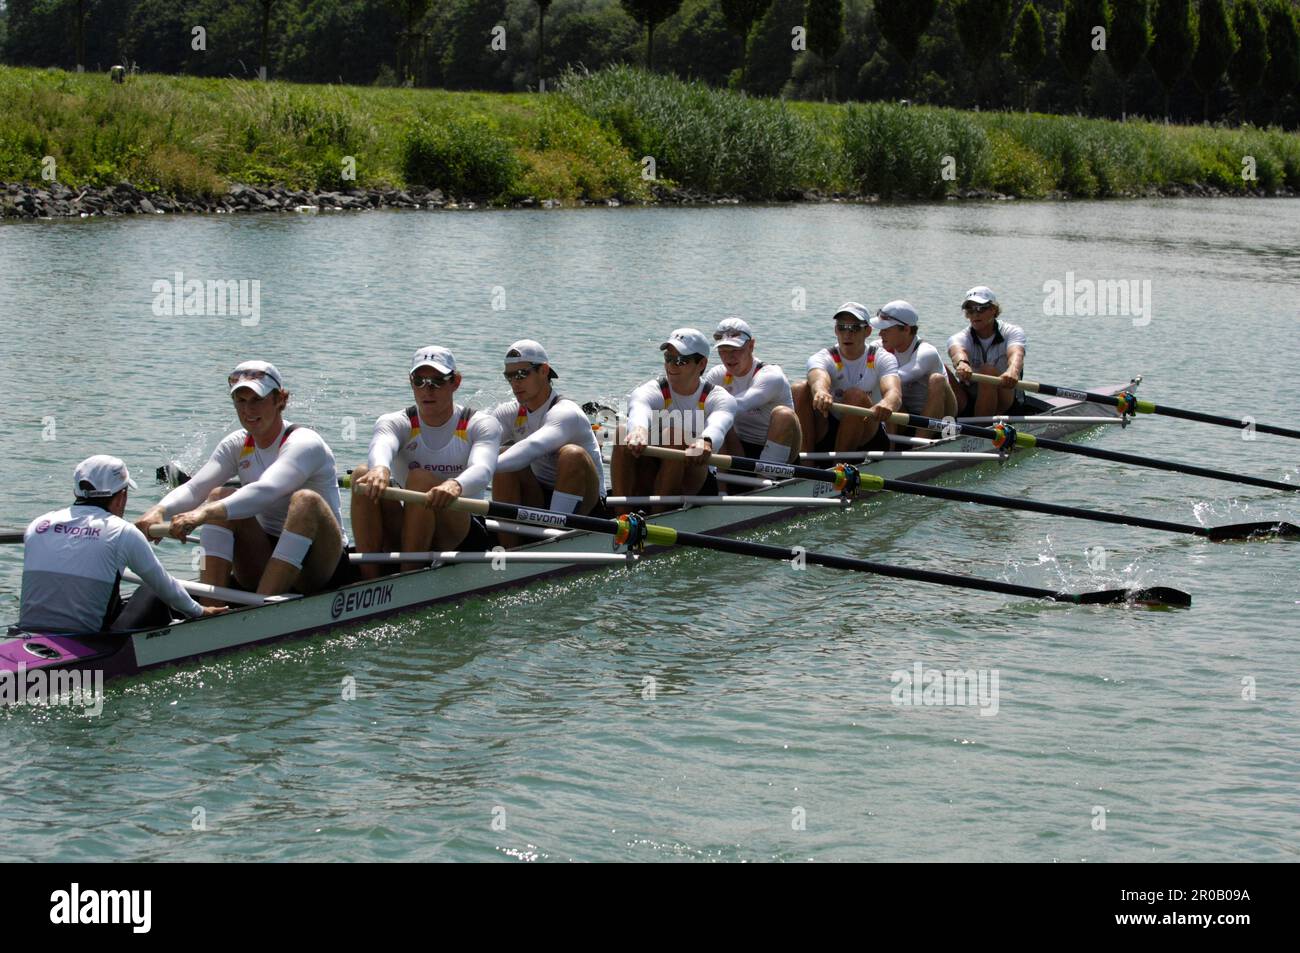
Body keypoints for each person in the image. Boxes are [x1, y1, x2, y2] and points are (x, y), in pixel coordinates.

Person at [136, 361, 351, 598]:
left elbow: (267, 489)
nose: (248, 410)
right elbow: (196, 488)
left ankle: (259, 614)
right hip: (266, 554)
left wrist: (202, 514)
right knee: (218, 495)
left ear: (281, 400)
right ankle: (211, 607)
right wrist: (159, 510)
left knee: (306, 500)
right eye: (241, 401)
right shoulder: (237, 444)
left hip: (322, 563)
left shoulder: (304, 443)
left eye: (257, 400)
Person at [18, 455, 225, 633]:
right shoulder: (123, 532)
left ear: (77, 493)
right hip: (89, 640)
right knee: (152, 591)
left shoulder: (38, 526)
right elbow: (164, 586)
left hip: (27, 631)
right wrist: (200, 611)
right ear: (121, 497)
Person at [350, 347, 502, 576]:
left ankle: (407, 577)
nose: (427, 389)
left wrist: (455, 485)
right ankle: (367, 582)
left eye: (437, 381)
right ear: (410, 382)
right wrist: (379, 468)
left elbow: (483, 469)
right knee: (362, 475)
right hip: (414, 526)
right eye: (419, 381)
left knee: (420, 479)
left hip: (462, 531)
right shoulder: (395, 422)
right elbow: (382, 446)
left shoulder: (479, 424)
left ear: (456, 382)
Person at [489, 340, 604, 548]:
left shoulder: (566, 413)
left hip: (588, 503)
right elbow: (474, 442)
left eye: (522, 374)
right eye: (509, 376)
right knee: (502, 455)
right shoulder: (509, 412)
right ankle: (506, 552)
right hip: (540, 496)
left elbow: (533, 447)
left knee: (571, 454)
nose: (515, 382)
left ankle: (551, 542)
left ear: (543, 371)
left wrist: (481, 469)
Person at [611, 328, 737, 512]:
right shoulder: (654, 389)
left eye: (680, 361)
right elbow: (639, 407)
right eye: (668, 359)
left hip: (695, 477)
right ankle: (621, 518)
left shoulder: (718, 398)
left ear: (701, 363)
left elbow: (719, 423)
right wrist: (638, 431)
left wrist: (706, 441)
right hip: (654, 470)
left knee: (674, 435)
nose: (671, 366)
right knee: (622, 432)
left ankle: (658, 517)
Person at [792, 302, 902, 453]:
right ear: (835, 330)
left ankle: (840, 465)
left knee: (854, 396)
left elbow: (893, 392)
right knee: (799, 389)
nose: (847, 334)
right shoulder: (824, 357)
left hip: (868, 432)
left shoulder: (882, 358)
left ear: (868, 331)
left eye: (854, 328)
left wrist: (887, 403)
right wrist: (821, 391)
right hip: (830, 429)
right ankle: (806, 464)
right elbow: (818, 377)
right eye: (841, 327)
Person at [702, 318, 802, 463]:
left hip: (780, 448)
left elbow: (741, 404)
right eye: (723, 351)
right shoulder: (717, 375)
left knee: (783, 415)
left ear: (751, 346)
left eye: (736, 350)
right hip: (739, 446)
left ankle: (765, 479)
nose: (729, 357)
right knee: (714, 419)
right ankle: (720, 484)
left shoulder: (771, 376)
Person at [871, 300, 957, 435]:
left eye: (886, 329)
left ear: (906, 329)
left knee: (937, 379)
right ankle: (889, 447)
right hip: (905, 414)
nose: (880, 334)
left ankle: (919, 447)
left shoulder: (926, 352)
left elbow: (904, 376)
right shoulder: (878, 347)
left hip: (942, 417)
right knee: (888, 393)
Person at [947, 286, 1026, 417]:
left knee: (987, 371)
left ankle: (981, 428)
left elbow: (1016, 354)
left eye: (980, 309)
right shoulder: (960, 337)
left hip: (1005, 397)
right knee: (939, 369)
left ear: (993, 310)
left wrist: (1013, 371)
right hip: (970, 397)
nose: (975, 314)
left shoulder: (1012, 332)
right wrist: (962, 363)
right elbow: (957, 351)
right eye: (970, 310)